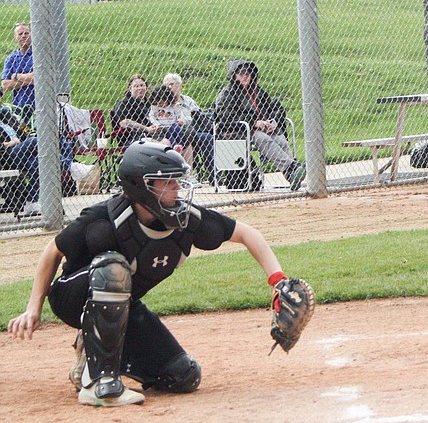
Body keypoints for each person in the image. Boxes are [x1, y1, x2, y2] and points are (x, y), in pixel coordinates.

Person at [7, 141, 311, 407]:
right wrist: (33, 308)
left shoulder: (186, 220)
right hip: (72, 296)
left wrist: (278, 281)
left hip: (120, 303)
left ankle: (92, 354)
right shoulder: (104, 220)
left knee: (184, 376)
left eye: (177, 181)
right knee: (113, 269)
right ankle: (98, 384)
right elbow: (52, 251)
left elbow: (247, 233)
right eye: (166, 183)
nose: (177, 190)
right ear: (140, 187)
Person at [215, 59, 305, 191]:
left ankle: (291, 175)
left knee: (280, 140)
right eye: (241, 74)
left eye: (248, 73)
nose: (245, 76)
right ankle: (292, 168)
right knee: (262, 139)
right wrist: (254, 123)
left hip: (261, 129)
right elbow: (225, 116)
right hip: (238, 130)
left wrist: (271, 122)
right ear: (234, 75)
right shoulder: (228, 93)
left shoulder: (258, 91)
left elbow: (273, 108)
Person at [164, 73, 213, 177]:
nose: (169, 87)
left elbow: (198, 116)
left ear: (180, 86)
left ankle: (213, 174)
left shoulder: (188, 100)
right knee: (186, 135)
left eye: (172, 84)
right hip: (173, 133)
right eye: (167, 85)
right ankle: (187, 173)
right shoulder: (164, 102)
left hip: (192, 130)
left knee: (207, 137)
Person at [148, 84, 193, 166]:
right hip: (162, 127)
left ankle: (180, 145)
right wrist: (156, 124)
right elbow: (151, 116)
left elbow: (180, 114)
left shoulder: (174, 105)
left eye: (164, 102)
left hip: (172, 124)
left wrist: (180, 120)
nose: (162, 105)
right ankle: (175, 146)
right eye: (159, 103)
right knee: (170, 134)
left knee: (177, 130)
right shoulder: (155, 107)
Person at [112, 74, 159, 147]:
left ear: (146, 87)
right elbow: (124, 122)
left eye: (142, 85)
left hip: (153, 135)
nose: (140, 88)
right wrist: (146, 128)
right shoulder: (124, 103)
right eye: (136, 86)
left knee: (168, 141)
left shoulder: (149, 102)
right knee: (161, 145)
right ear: (130, 88)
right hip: (133, 139)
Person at [2, 22, 36, 120]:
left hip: (39, 106)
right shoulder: (11, 58)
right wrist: (29, 78)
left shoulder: (38, 55)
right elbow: (5, 84)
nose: (24, 36)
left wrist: (17, 77)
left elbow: (40, 78)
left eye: (26, 33)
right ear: (15, 37)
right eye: (20, 34)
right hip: (19, 108)